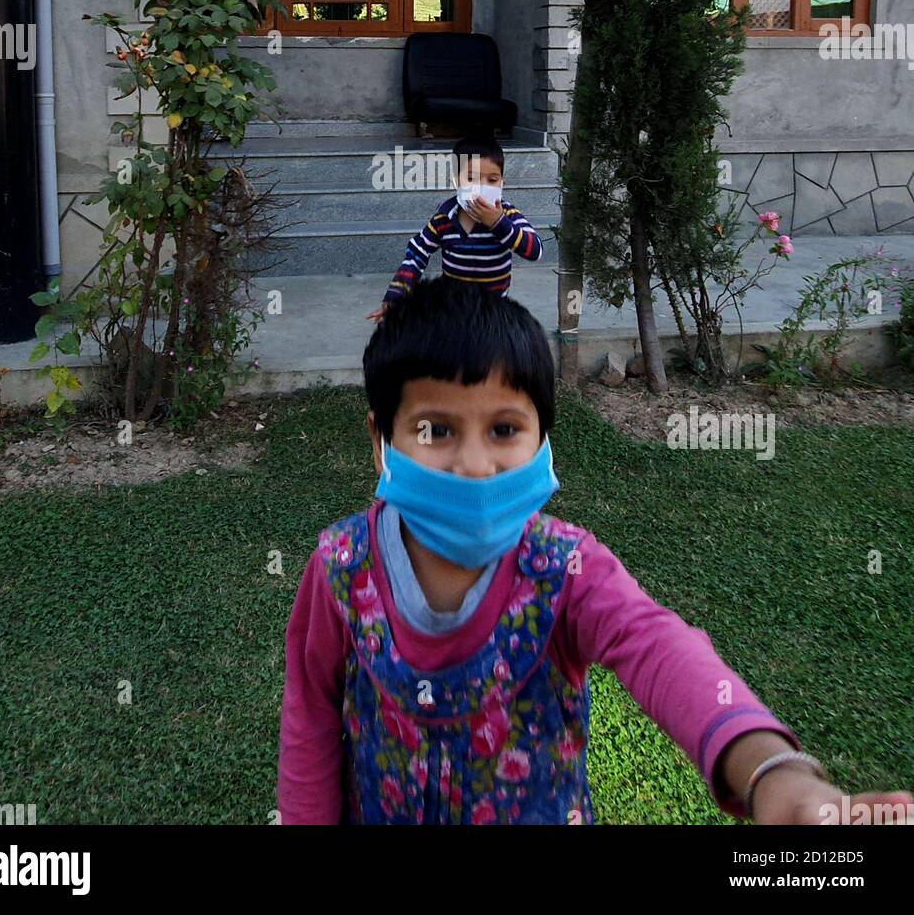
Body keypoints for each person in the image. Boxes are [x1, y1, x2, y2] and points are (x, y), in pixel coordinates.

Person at [278, 279, 911, 825]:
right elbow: (309, 713)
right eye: (434, 430)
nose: (474, 465)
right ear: (380, 437)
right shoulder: (340, 567)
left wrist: (772, 772)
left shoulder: (566, 568)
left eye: (504, 429)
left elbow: (660, 648)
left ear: (544, 438)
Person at [366, 137, 542, 323]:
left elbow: (535, 250)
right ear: (457, 182)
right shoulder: (444, 218)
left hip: (494, 312)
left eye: (492, 180)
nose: (481, 187)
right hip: (452, 310)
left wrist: (498, 222)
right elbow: (416, 254)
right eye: (471, 178)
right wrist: (396, 296)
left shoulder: (508, 215)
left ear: (502, 184)